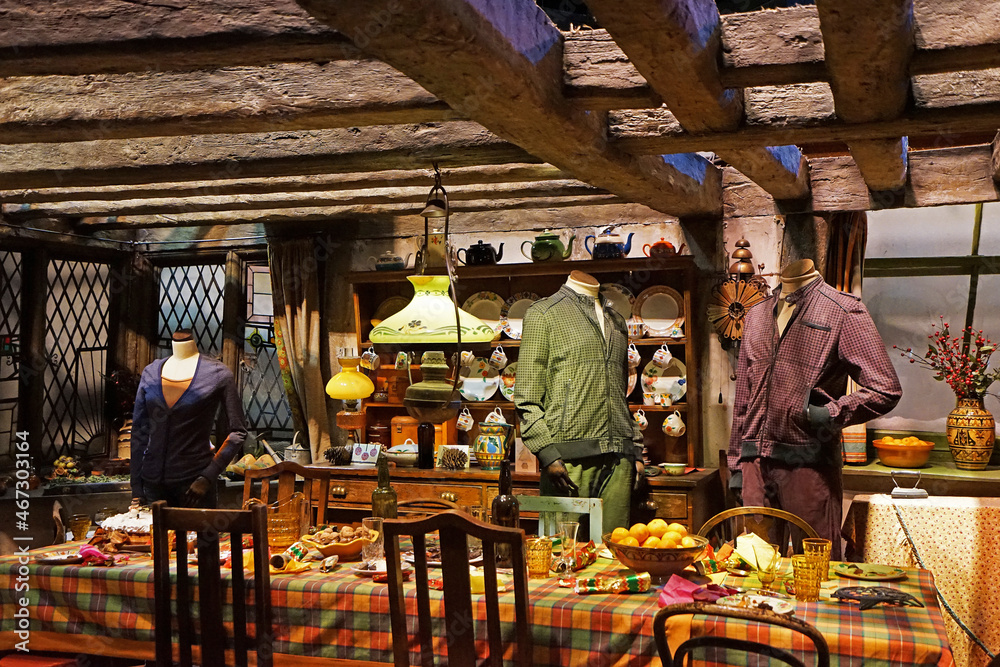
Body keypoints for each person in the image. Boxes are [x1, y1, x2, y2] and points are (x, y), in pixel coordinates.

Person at [728, 259, 901, 558]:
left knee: (816, 568)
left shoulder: (843, 310)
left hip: (809, 464)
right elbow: (743, 396)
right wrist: (737, 465)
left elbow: (885, 388)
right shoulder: (756, 315)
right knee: (756, 566)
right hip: (755, 465)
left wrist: (828, 414)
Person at [514, 270, 644, 535]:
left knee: (613, 552)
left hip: (619, 459)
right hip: (567, 461)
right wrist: (548, 453)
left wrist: (636, 450)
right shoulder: (544, 313)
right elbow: (526, 397)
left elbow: (619, 394)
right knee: (561, 551)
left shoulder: (616, 320)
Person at [130, 329, 247, 508]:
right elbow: (139, 431)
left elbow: (238, 431)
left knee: (197, 528)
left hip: (194, 486)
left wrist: (208, 476)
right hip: (153, 486)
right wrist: (136, 487)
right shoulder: (150, 373)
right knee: (155, 528)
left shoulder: (217, 374)